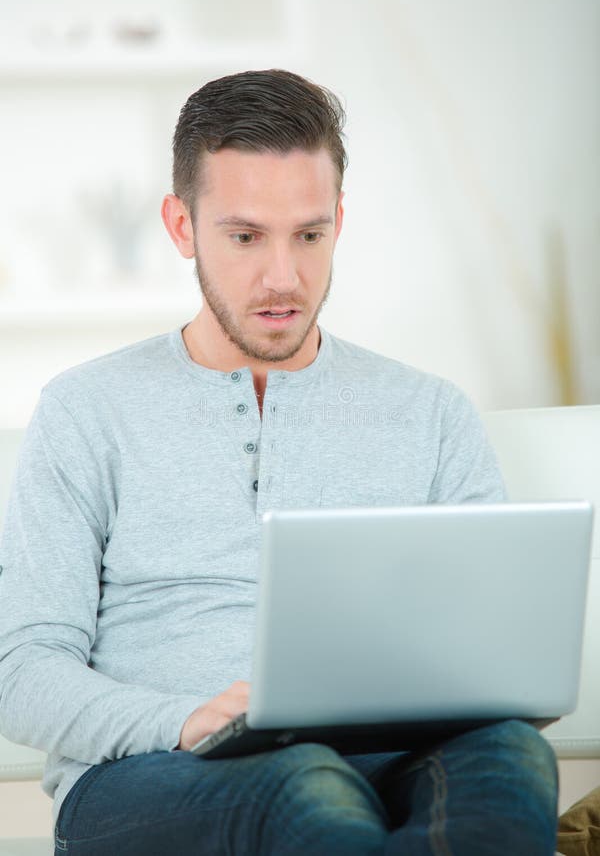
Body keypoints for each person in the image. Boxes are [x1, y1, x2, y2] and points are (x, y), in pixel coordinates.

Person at [0, 69, 558, 855]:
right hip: (148, 773)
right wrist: (184, 719)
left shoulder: (431, 413)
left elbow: (490, 652)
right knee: (308, 784)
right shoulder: (85, 410)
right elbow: (22, 669)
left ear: (339, 221)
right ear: (182, 226)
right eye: (244, 236)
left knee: (510, 759)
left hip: (383, 761)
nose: (283, 278)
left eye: (309, 235)